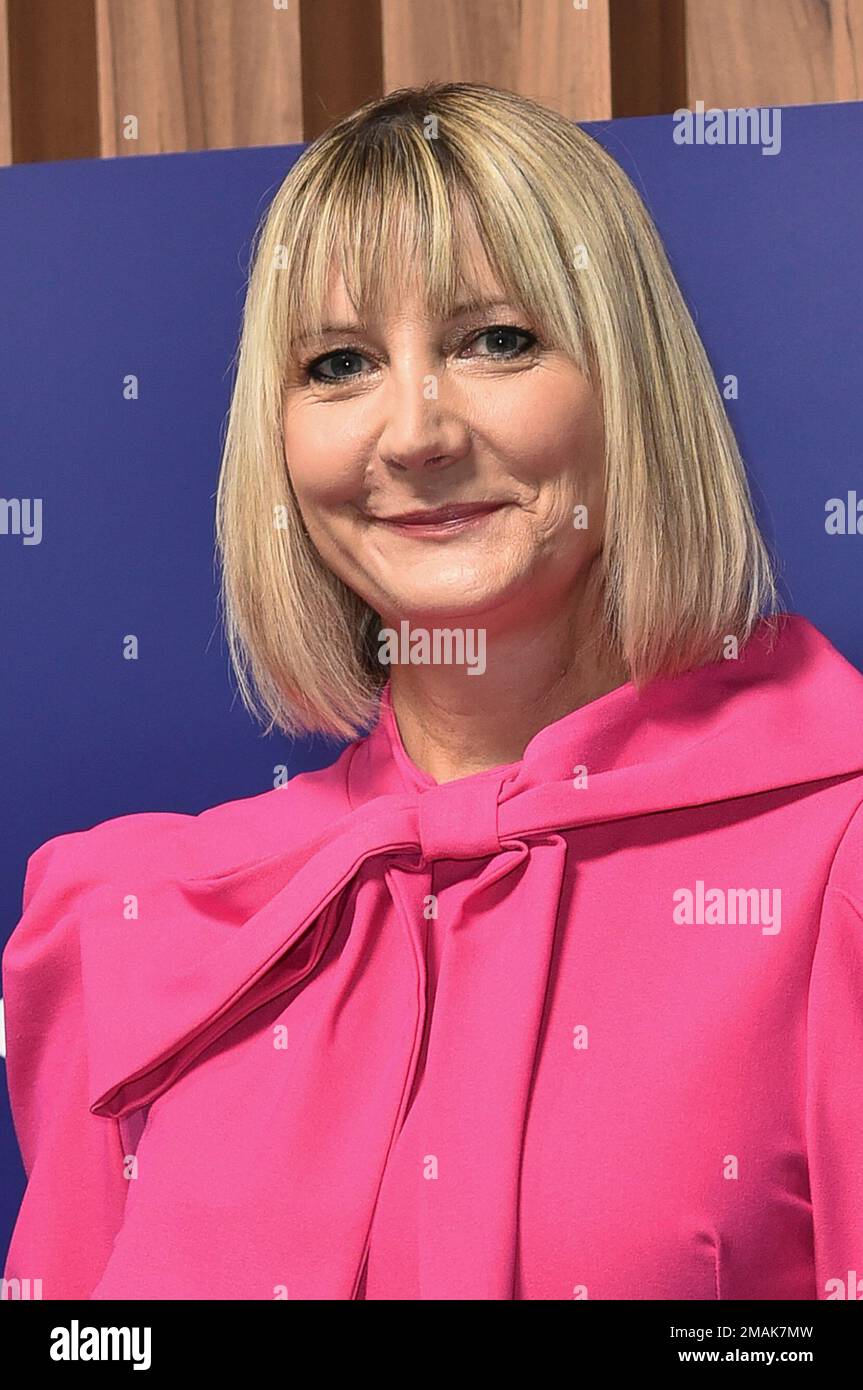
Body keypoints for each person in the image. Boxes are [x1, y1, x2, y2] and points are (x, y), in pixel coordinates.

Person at [4, 81, 863, 1301]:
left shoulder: (838, 860)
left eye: (494, 339)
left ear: (631, 387)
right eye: (339, 363)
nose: (412, 433)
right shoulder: (141, 920)